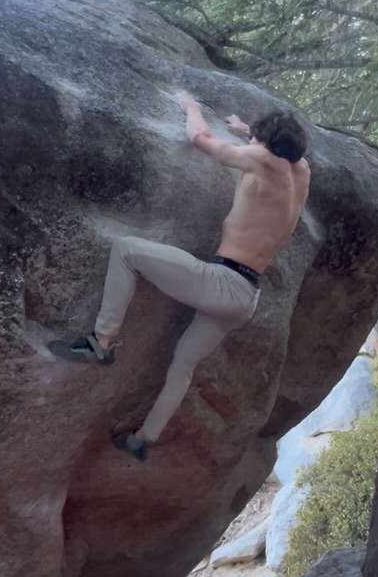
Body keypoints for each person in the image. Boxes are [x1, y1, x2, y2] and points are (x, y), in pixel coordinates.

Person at [49, 92, 310, 460]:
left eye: (256, 139)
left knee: (126, 250)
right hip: (245, 297)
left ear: (264, 145)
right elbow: (279, 151)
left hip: (221, 283)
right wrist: (248, 130)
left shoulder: (257, 159)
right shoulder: (301, 171)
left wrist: (192, 109)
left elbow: (200, 140)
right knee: (183, 366)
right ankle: (143, 440)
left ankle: (101, 342)